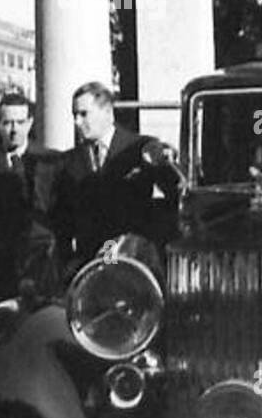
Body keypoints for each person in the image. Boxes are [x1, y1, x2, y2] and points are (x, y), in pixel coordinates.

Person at [50, 80, 181, 278]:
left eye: (84, 114)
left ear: (108, 112)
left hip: (134, 262)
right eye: (75, 115)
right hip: (90, 268)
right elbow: (63, 221)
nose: (77, 122)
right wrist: (66, 264)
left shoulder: (141, 149)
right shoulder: (69, 162)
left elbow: (176, 195)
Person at [0, 92, 60, 321]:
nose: (14, 129)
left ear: (30, 123)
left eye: (19, 122)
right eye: (7, 123)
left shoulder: (50, 163)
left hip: (40, 269)